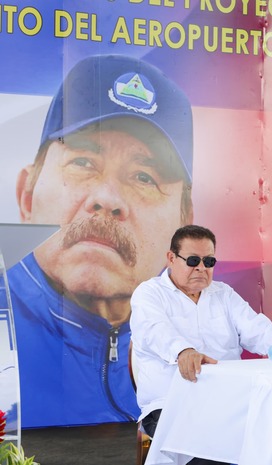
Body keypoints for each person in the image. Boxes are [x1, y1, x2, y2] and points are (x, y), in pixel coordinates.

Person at [3, 54, 194, 427]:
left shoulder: (197, 324)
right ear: (27, 194)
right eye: (82, 162)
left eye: (144, 177)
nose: (107, 198)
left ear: (183, 227)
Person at [131, 225, 272, 465]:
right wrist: (183, 351)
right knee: (215, 451)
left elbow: (259, 330)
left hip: (231, 398)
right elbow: (154, 331)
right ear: (171, 258)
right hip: (172, 402)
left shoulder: (223, 294)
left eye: (209, 261)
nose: (202, 268)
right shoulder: (149, 293)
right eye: (193, 260)